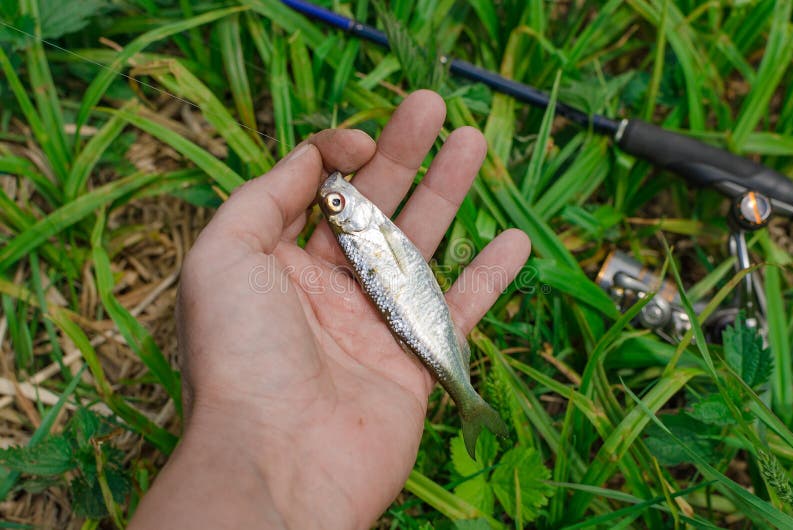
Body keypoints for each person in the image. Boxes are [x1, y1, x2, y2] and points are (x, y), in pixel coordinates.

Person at [128, 90, 531, 529]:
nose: (335, 197)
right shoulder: (356, 231)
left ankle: (469, 401)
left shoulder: (360, 227)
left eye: (335, 203)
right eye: (336, 204)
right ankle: (469, 403)